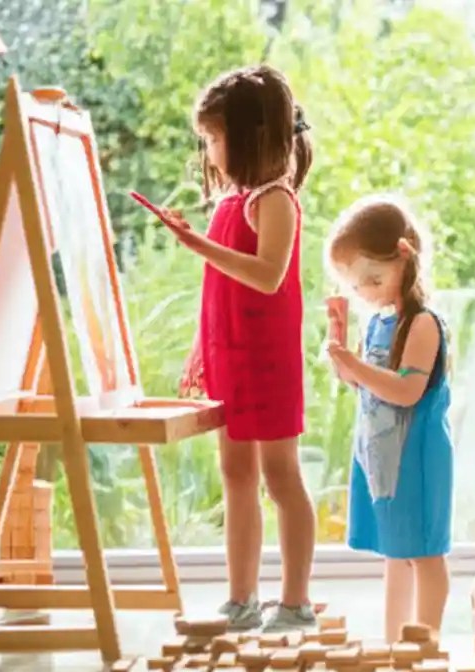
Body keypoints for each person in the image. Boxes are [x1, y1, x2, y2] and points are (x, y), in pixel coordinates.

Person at [151, 64, 317, 631]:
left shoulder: (275, 201)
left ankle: (295, 602)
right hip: (232, 359)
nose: (211, 149)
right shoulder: (230, 200)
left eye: (216, 138)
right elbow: (219, 296)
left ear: (248, 138)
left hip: (267, 363)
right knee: (236, 475)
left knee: (280, 477)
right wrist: (204, 352)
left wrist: (197, 245)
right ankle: (241, 597)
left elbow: (268, 275)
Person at [324, 196, 454, 641]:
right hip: (381, 458)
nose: (366, 292)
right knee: (394, 552)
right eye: (357, 286)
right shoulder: (379, 322)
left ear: (404, 257)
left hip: (415, 460)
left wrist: (355, 366)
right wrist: (340, 353)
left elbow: (405, 390)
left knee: (423, 551)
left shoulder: (422, 325)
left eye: (373, 280)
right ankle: (395, 638)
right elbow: (364, 386)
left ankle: (426, 639)